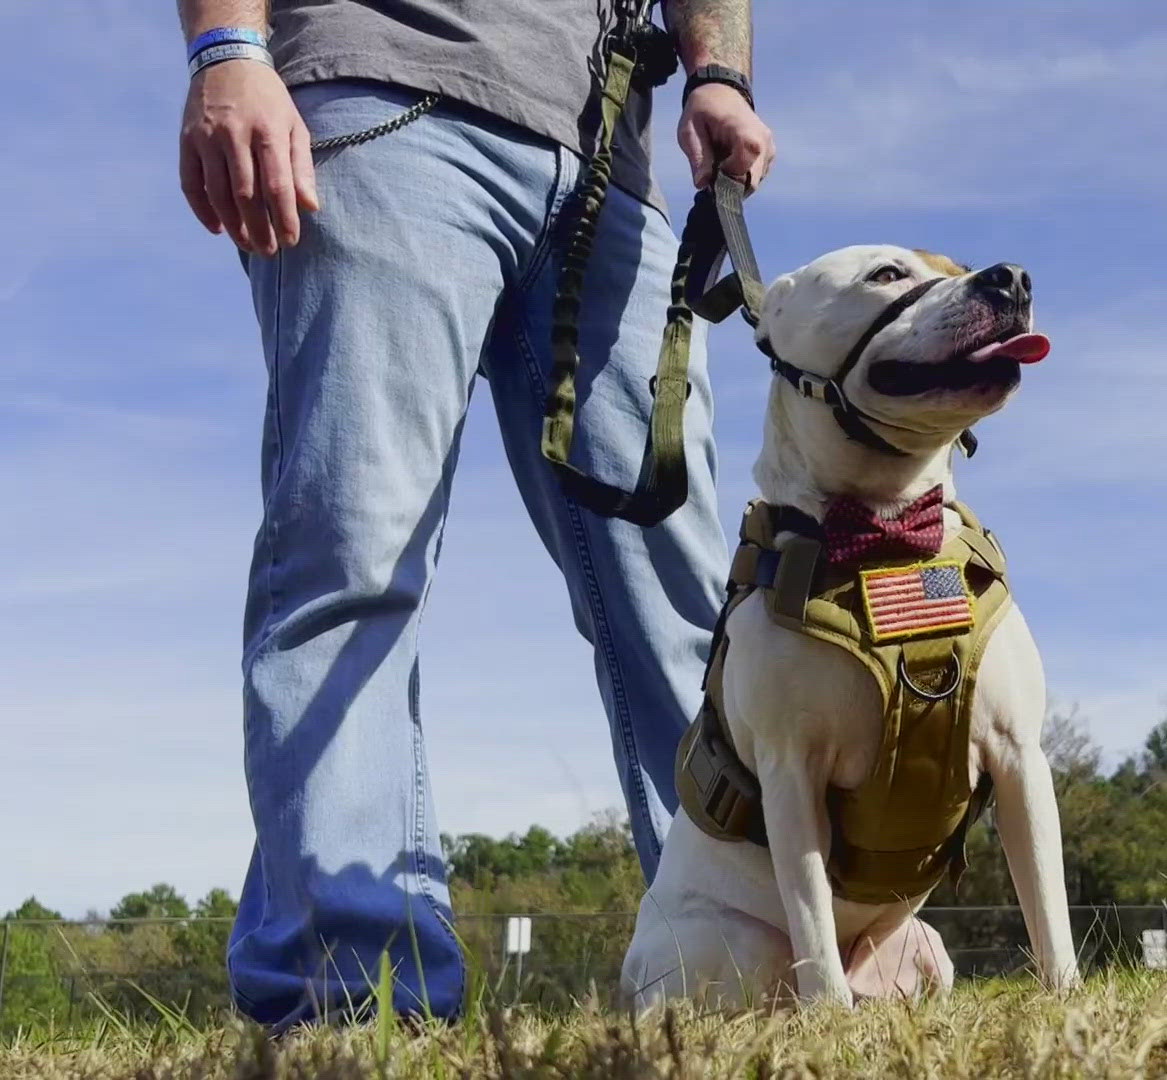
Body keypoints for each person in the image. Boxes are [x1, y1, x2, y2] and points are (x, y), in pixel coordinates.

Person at [174, 0, 772, 1028]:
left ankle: (745, 959)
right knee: (354, 550)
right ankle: (355, 994)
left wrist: (720, 75)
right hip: (385, 88)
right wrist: (227, 48)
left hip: (607, 151)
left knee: (678, 595)